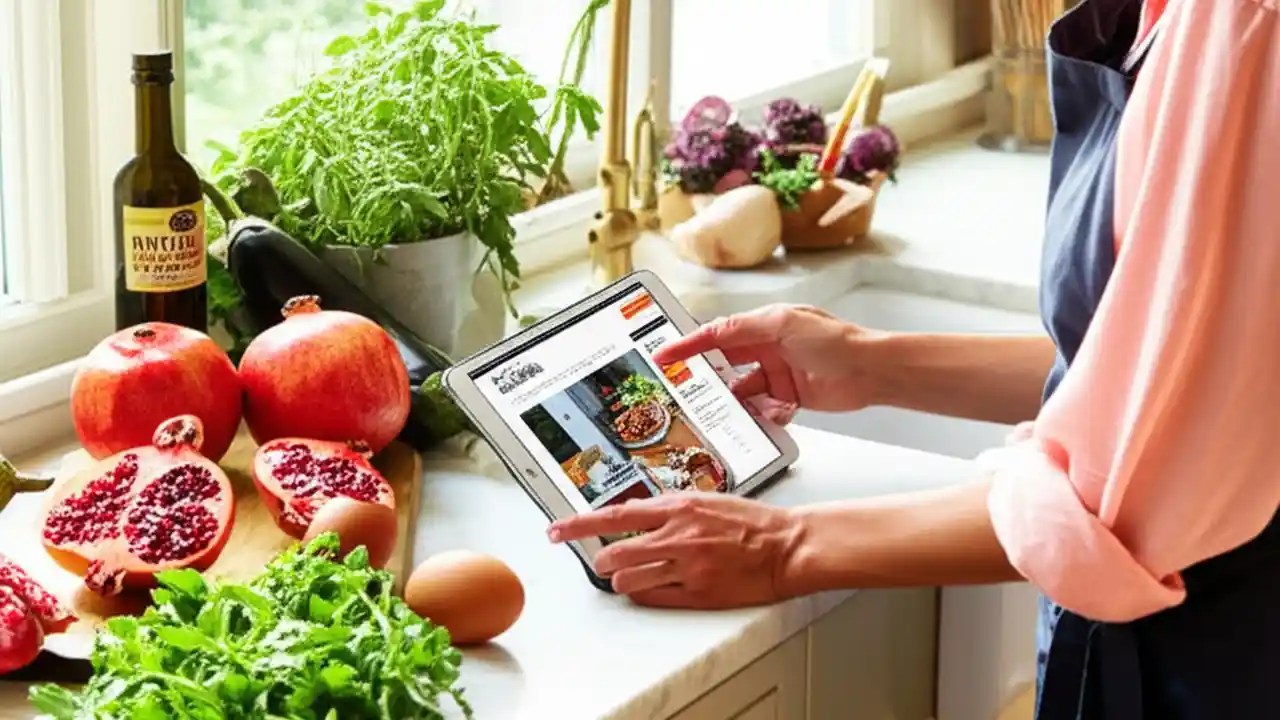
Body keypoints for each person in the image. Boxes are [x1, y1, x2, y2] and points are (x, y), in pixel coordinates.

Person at [548, 0, 1280, 716]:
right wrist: (871, 363)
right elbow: (1164, 382)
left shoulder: (1246, 32)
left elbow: (1132, 495)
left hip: (1223, 661)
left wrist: (787, 546)